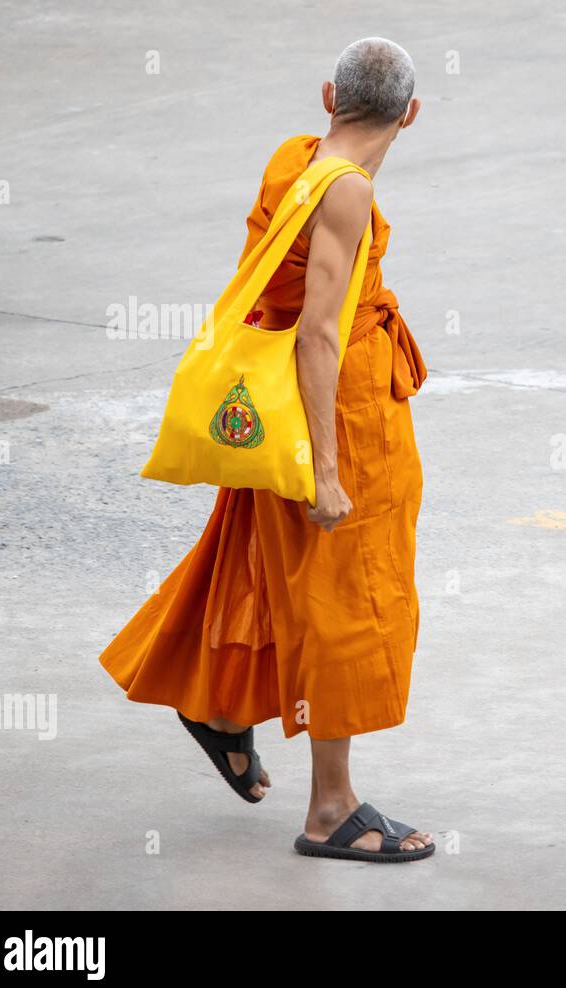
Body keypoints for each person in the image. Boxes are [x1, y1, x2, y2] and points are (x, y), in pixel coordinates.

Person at [99, 37, 434, 863]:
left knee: (259, 560)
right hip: (336, 415)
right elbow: (319, 334)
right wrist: (323, 469)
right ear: (412, 116)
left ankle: (218, 706)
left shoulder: (295, 159)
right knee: (347, 600)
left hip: (273, 408)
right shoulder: (347, 192)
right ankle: (332, 810)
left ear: (329, 96)